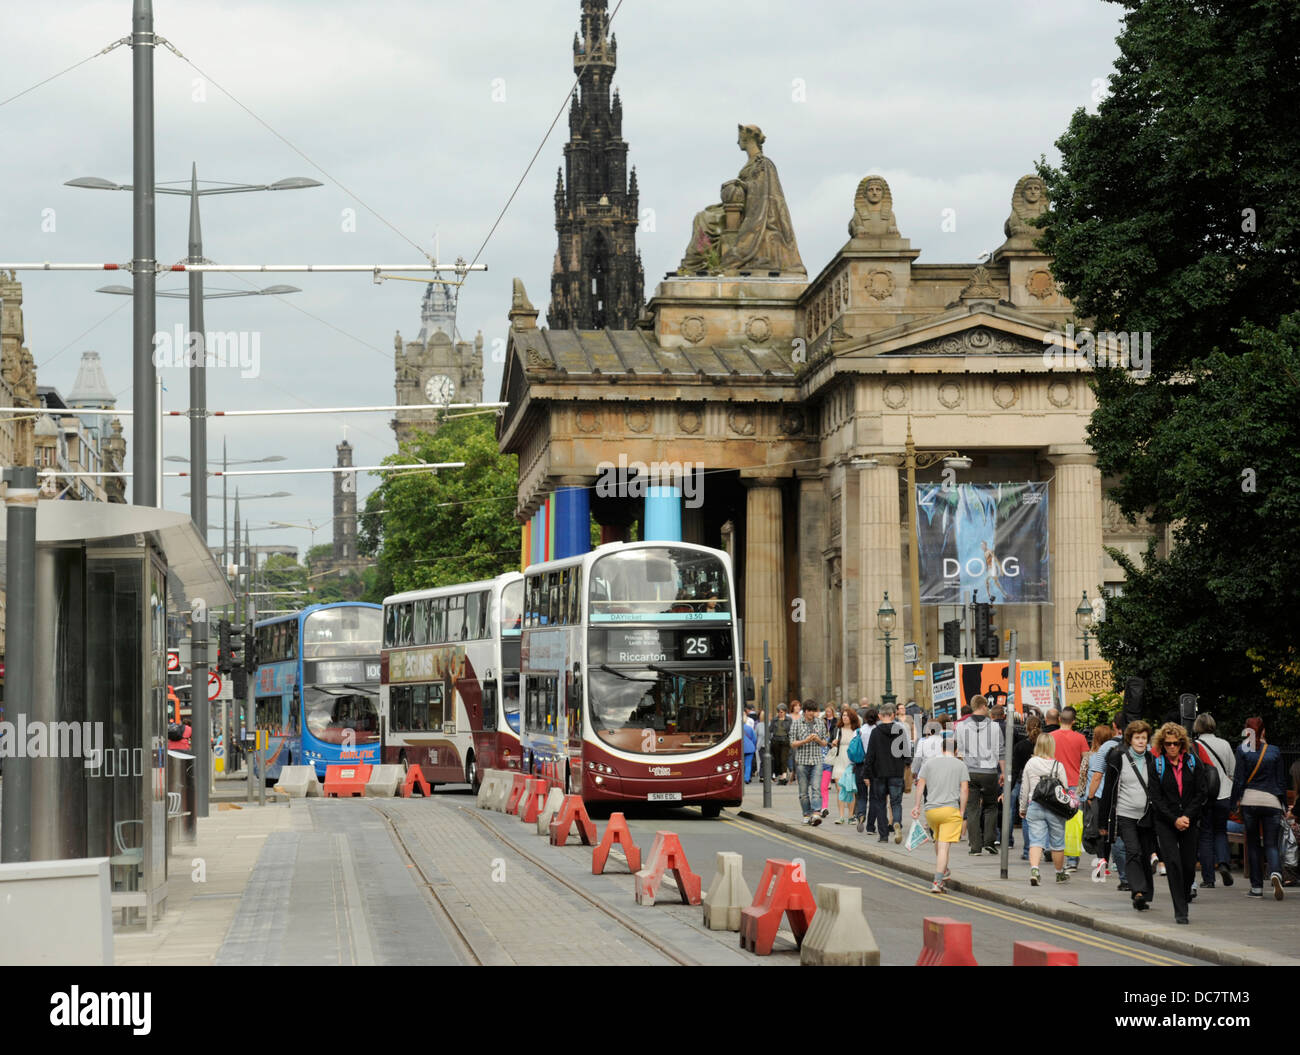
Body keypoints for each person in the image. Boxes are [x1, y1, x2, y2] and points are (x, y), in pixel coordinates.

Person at [1149, 722, 1207, 924]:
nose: (1171, 747)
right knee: (1173, 863)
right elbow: (1156, 798)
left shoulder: (1193, 762)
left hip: (1189, 820)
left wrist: (1187, 817)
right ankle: (1181, 911)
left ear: (1182, 743)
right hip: (1166, 821)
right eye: (1167, 744)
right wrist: (1174, 819)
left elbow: (1201, 793)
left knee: (1189, 866)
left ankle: (1184, 893)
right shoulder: (1157, 764)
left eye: (1175, 743)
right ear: (1162, 744)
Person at [1099, 721, 1158, 912]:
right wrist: (1103, 821)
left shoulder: (1152, 759)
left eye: (1144, 738)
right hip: (1125, 813)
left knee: (1145, 852)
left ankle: (1145, 891)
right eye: (1137, 738)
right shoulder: (1118, 757)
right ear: (1130, 739)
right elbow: (1108, 790)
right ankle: (1138, 891)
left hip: (1146, 815)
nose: (1141, 741)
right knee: (1133, 850)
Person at [1231, 716, 1288, 900]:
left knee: (1253, 844)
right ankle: (1275, 873)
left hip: (1250, 802)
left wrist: (1234, 802)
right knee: (1271, 843)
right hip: (1272, 802)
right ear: (1264, 731)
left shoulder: (1242, 750)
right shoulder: (1275, 751)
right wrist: (1284, 805)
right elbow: (1281, 781)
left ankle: (1256, 888)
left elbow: (1239, 779)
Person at [913, 732, 969, 893]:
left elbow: (920, 786)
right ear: (956, 750)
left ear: (941, 748)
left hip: (931, 811)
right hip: (950, 810)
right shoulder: (960, 765)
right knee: (944, 847)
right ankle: (937, 881)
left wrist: (917, 806)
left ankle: (943, 870)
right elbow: (964, 789)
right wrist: (962, 810)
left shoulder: (929, 763)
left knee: (938, 840)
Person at [1018, 733, 1070, 886]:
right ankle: (1059, 874)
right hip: (1055, 808)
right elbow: (1065, 789)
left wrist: (1023, 808)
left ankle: (1035, 870)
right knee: (1057, 843)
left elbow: (1025, 788)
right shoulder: (1058, 765)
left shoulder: (1031, 763)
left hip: (1035, 805)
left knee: (1036, 840)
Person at [1191, 713, 1235, 889]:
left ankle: (1208, 878)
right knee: (1220, 831)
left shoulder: (1195, 745)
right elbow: (1232, 770)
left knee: (1205, 835)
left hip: (1205, 796)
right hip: (1224, 793)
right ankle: (1223, 863)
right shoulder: (1224, 744)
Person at [956, 694, 1004, 855]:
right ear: (983, 706)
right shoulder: (995, 727)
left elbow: (959, 751)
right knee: (991, 806)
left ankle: (975, 847)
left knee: (972, 808)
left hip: (970, 772)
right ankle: (990, 841)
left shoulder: (961, 727)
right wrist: (1003, 772)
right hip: (989, 772)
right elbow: (1001, 752)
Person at [1086, 717, 1126, 884]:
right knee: (1120, 832)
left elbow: (1096, 776)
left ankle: (1103, 861)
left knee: (1104, 831)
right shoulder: (1140, 747)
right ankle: (1118, 864)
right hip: (1126, 796)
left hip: (1103, 797)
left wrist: (1090, 796)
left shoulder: (1105, 749)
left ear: (1115, 726)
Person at [865, 702, 911, 843]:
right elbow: (907, 756)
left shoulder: (875, 732)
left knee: (880, 803)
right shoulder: (900, 731)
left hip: (879, 774)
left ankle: (884, 835)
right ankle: (896, 822)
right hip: (896, 773)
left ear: (880, 716)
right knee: (896, 802)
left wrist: (866, 774)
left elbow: (870, 756)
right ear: (893, 715)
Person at [1051, 706, 1090, 869]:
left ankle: (1056, 853)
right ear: (1074, 721)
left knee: (1057, 821)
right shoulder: (1080, 738)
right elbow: (1086, 761)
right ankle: (1072, 860)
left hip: (1056, 784)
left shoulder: (1051, 737)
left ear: (1059, 719)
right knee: (1074, 823)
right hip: (1075, 785)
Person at [790, 700, 827, 826]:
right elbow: (792, 743)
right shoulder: (796, 723)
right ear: (805, 711)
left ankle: (816, 813)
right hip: (802, 761)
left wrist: (818, 740)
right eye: (810, 711)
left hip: (817, 760)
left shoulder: (820, 723)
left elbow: (825, 743)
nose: (812, 713)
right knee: (803, 792)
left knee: (816, 788)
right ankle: (806, 814)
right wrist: (805, 741)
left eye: (814, 711)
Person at [1012, 713, 1042, 861]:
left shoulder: (1020, 746)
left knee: (1025, 818)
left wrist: (1010, 788)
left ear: (1026, 728)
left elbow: (1015, 769)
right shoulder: (1044, 745)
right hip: (1043, 785)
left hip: (1024, 783)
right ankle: (1046, 849)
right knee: (1045, 817)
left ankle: (1027, 851)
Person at [827, 707, 860, 824]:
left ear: (852, 717)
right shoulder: (838, 730)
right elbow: (830, 744)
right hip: (839, 760)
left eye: (847, 715)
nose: (844, 717)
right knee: (840, 789)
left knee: (850, 789)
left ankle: (851, 816)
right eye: (843, 715)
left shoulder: (857, 730)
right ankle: (841, 816)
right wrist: (833, 744)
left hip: (851, 763)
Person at [853, 706, 879, 833]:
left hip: (860, 765)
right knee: (874, 797)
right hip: (874, 766)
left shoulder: (859, 731)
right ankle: (870, 826)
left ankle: (861, 815)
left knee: (862, 795)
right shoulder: (878, 730)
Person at [819, 704, 838, 807]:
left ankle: (830, 779)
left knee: (830, 762)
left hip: (831, 742)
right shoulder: (823, 720)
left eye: (829, 711)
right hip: (824, 742)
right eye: (826, 711)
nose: (827, 713)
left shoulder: (836, 721)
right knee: (826, 761)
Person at [769, 705, 791, 785]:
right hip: (775, 741)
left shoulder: (789, 720)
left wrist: (791, 740)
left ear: (785, 712)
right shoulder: (774, 720)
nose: (780, 713)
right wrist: (769, 739)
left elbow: (791, 730)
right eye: (778, 712)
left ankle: (784, 776)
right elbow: (770, 730)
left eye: (781, 712)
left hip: (785, 741)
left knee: (783, 759)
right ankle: (781, 776)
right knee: (777, 759)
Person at [742, 719, 757, 783]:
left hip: (740, 748)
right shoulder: (749, 728)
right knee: (748, 764)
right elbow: (754, 739)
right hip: (750, 748)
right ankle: (746, 779)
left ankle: (740, 778)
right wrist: (753, 746)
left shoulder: (736, 729)